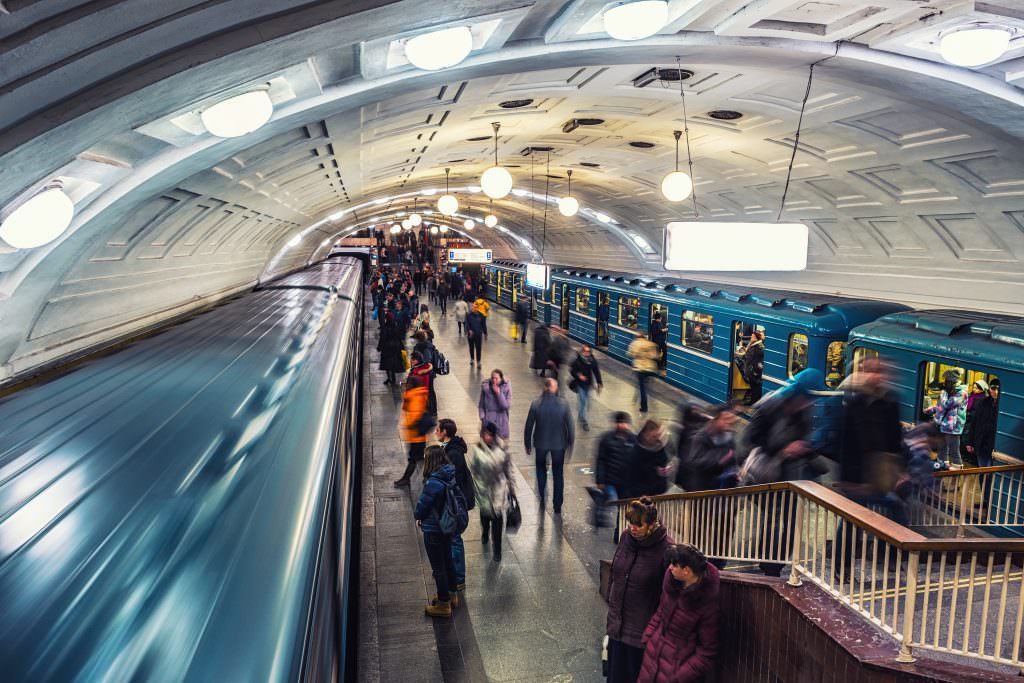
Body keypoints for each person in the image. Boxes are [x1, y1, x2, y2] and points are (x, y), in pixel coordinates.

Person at [742, 368, 821, 576]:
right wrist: (782, 450)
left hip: (791, 475)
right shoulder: (768, 406)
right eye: (806, 399)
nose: (808, 405)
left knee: (790, 521)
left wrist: (805, 447)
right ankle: (770, 566)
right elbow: (750, 439)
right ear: (797, 394)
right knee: (774, 520)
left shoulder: (802, 410)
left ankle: (777, 561)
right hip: (767, 473)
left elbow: (805, 435)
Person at [606, 497, 672, 683]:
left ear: (651, 524)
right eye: (630, 523)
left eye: (638, 525)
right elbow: (615, 571)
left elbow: (668, 595)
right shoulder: (626, 537)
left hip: (641, 632)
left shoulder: (666, 548)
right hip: (617, 625)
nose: (632, 528)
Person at [637, 545, 720, 683]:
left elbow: (706, 654)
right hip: (651, 661)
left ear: (686, 571)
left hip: (675, 672)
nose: (670, 568)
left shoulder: (707, 606)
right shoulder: (672, 583)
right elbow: (660, 611)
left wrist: (678, 677)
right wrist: (648, 636)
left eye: (674, 565)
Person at [683, 405, 739, 569]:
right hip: (704, 494)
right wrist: (718, 461)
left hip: (726, 495)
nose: (730, 422)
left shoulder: (729, 438)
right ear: (715, 419)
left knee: (724, 531)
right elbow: (693, 461)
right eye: (726, 419)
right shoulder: (701, 437)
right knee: (699, 529)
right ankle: (694, 562)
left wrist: (735, 472)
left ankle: (718, 564)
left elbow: (733, 460)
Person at [415, 446, 461, 617]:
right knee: (448, 561)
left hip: (434, 528)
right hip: (447, 526)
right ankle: (452, 595)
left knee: (438, 567)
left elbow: (422, 506)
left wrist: (418, 515)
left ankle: (443, 604)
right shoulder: (449, 475)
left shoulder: (433, 482)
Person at [524, 378, 575, 514]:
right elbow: (570, 426)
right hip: (559, 445)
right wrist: (570, 444)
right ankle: (557, 504)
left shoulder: (536, 404)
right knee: (558, 474)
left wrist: (527, 444)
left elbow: (529, 425)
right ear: (553, 388)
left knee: (541, 469)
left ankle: (542, 494)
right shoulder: (564, 404)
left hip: (541, 444)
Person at [437, 419, 473, 591]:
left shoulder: (453, 454)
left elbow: (454, 481)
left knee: (455, 538)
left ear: (445, 432)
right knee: (449, 537)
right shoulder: (449, 450)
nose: (436, 432)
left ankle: (459, 577)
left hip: (456, 504)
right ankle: (450, 570)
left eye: (438, 429)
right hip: (454, 502)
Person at [470, 422, 513, 562]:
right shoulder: (477, 450)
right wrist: (477, 486)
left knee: (497, 521)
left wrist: (512, 489)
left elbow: (508, 471)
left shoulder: (502, 451)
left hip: (498, 491)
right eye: (485, 434)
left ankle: (497, 550)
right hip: (483, 491)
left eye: (489, 434)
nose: (487, 437)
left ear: (494, 435)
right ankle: (484, 532)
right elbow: (474, 470)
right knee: (484, 516)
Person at [394, 373, 432, 487]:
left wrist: (407, 425)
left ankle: (406, 479)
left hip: (416, 435)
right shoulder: (419, 393)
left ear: (412, 384)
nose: (405, 384)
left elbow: (414, 416)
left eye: (408, 383)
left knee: (413, 458)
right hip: (418, 434)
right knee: (419, 457)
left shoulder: (414, 396)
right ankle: (428, 476)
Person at [924, 369, 968, 468]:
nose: (943, 382)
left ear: (951, 381)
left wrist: (943, 393)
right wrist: (928, 410)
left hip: (953, 428)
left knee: (954, 452)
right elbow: (939, 406)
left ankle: (956, 476)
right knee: (942, 449)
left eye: (945, 380)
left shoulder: (962, 393)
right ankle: (942, 469)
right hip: (943, 425)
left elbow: (947, 404)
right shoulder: (948, 391)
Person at [596, 411, 636, 504]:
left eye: (624, 422)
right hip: (611, 481)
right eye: (620, 422)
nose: (622, 425)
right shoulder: (606, 438)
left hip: (626, 482)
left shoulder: (633, 439)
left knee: (623, 506)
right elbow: (601, 460)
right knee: (614, 502)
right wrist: (600, 480)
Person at [674, 401, 709, 490]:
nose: (698, 412)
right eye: (695, 410)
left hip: (689, 474)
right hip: (692, 476)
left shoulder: (685, 428)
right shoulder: (692, 432)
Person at [964, 379, 1000, 468]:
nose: (995, 392)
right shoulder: (983, 402)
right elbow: (974, 423)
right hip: (981, 442)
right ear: (989, 388)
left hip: (994, 445)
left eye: (998, 389)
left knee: (989, 472)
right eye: (993, 388)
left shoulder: (1003, 405)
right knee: (981, 469)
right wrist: (969, 442)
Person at [630, 420, 670, 498]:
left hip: (657, 494)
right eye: (654, 436)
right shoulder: (635, 452)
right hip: (639, 496)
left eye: (659, 436)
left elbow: (663, 467)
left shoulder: (660, 448)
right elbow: (632, 478)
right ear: (645, 435)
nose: (657, 439)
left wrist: (664, 472)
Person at [569, 344, 603, 430]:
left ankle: (580, 415)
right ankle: (584, 421)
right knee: (583, 401)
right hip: (580, 384)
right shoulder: (578, 360)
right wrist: (579, 375)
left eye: (588, 351)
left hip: (588, 384)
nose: (587, 353)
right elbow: (572, 370)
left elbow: (596, 371)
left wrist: (599, 382)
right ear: (582, 351)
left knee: (587, 403)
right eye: (585, 351)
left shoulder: (592, 360)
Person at [627, 332, 659, 413]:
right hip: (651, 369)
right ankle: (653, 402)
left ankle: (644, 407)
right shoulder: (651, 344)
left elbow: (630, 354)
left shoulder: (635, 343)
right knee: (648, 386)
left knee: (642, 388)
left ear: (637, 337)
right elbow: (655, 356)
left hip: (640, 369)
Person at [478, 369, 512, 440]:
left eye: (496, 378)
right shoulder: (486, 388)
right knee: (487, 445)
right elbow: (481, 405)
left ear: (501, 378)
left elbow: (505, 406)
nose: (494, 380)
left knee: (500, 446)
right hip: (488, 422)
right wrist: (482, 417)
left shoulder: (506, 388)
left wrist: (499, 394)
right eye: (492, 378)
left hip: (501, 422)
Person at [377, 311, 406, 386]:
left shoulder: (385, 327)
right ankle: (392, 379)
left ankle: (389, 378)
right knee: (393, 364)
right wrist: (402, 347)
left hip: (387, 348)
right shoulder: (396, 326)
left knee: (387, 365)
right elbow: (400, 337)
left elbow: (382, 338)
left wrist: (379, 347)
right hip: (396, 348)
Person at [741, 331, 765, 405]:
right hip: (752, 371)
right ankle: (753, 401)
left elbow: (760, 362)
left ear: (755, 337)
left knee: (756, 388)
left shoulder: (760, 347)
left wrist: (755, 371)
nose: (751, 337)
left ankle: (754, 402)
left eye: (752, 336)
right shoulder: (754, 345)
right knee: (753, 387)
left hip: (755, 372)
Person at [466, 304, 486, 369]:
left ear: (477, 308)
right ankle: (472, 359)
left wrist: (485, 333)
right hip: (471, 335)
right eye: (473, 307)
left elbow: (484, 325)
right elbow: (467, 323)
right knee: (471, 347)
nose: (473, 308)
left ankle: (478, 362)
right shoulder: (469, 315)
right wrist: (469, 330)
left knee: (478, 348)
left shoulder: (481, 316)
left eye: (475, 307)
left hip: (478, 335)